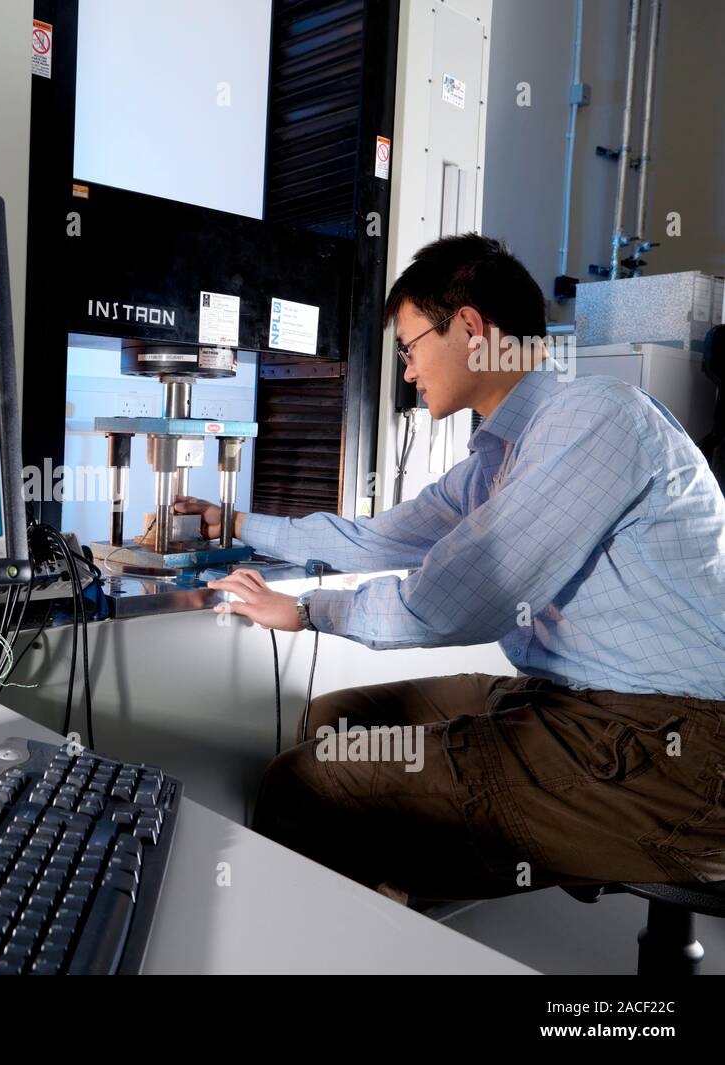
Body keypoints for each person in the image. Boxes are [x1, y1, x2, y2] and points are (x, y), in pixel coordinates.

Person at [175, 233, 725, 902]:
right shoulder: (498, 458)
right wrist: (231, 524)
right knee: (337, 721)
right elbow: (377, 540)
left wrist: (307, 611)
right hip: (569, 698)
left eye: (410, 347)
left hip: (673, 741)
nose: (407, 371)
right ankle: (393, 913)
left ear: (469, 327)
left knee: (305, 785)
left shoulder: (594, 417)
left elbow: (454, 603)